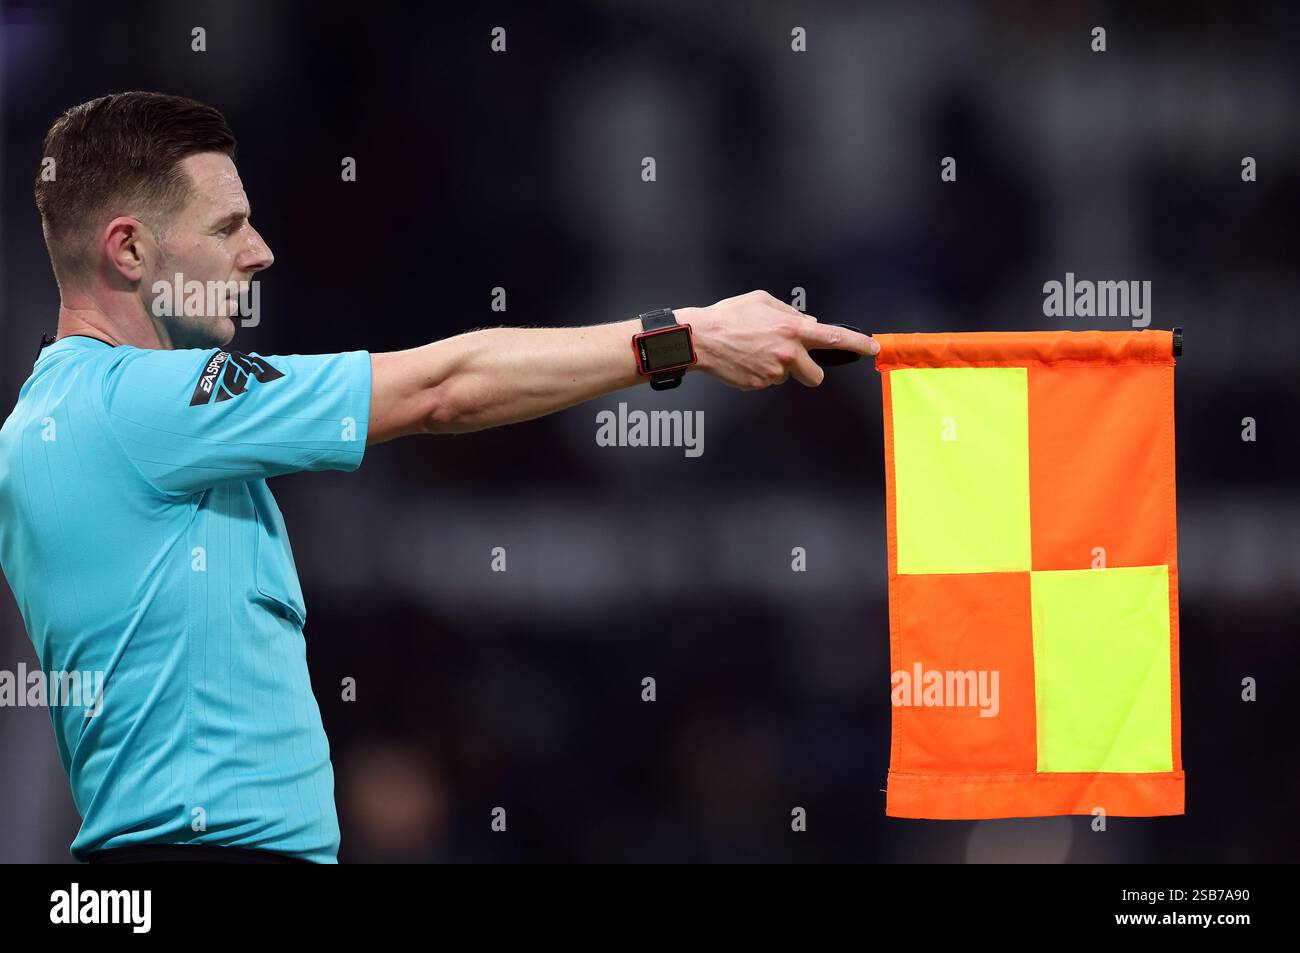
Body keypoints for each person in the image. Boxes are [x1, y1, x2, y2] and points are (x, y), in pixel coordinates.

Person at [0, 91, 879, 863]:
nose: (260, 252)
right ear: (129, 249)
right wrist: (687, 335)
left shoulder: (48, 423)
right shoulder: (144, 405)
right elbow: (443, 390)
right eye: (227, 226)